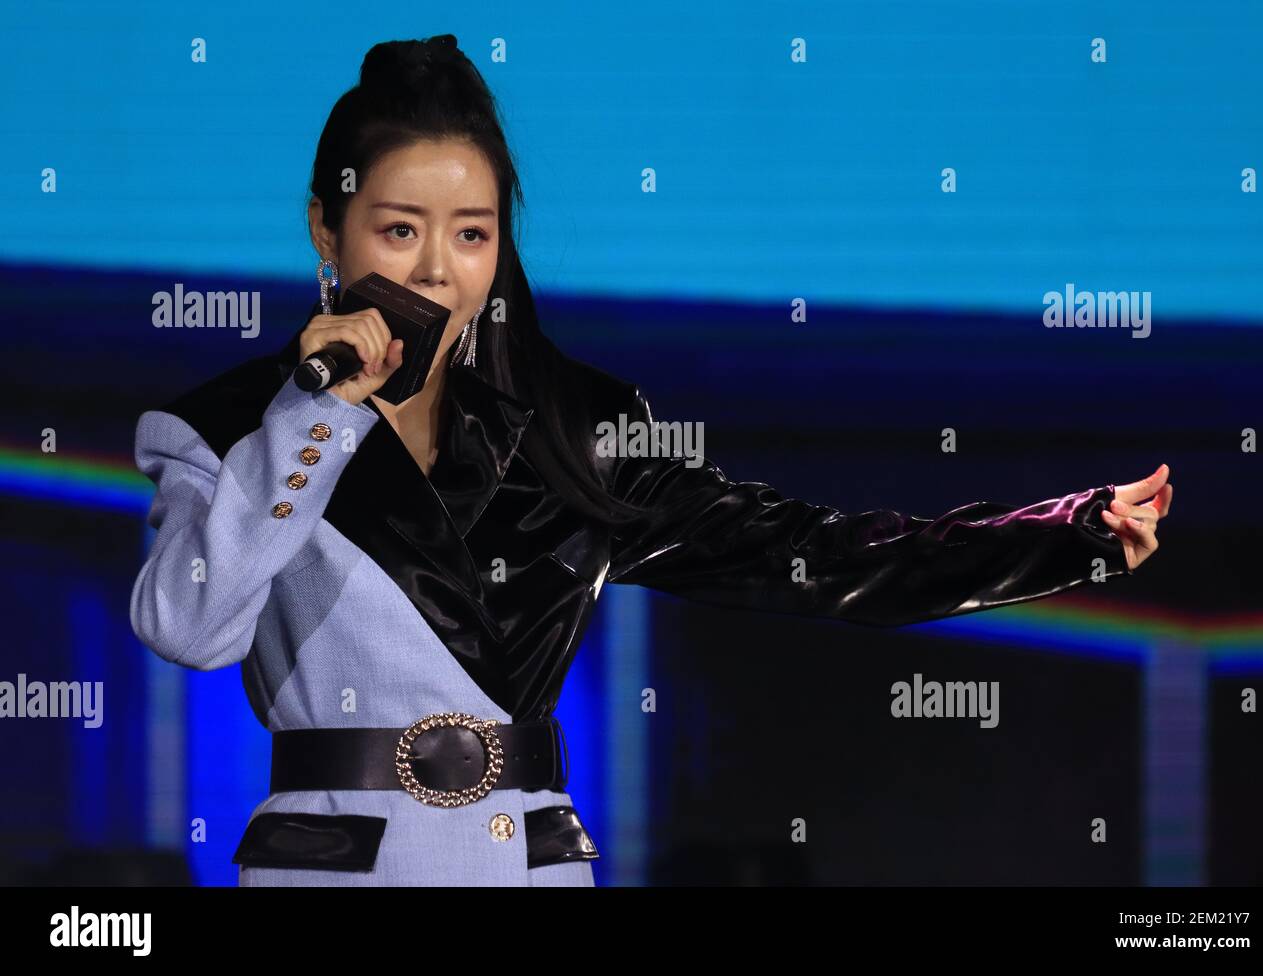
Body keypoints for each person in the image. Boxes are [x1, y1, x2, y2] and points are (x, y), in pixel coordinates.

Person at [128, 34, 1170, 887]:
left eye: (473, 235)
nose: (437, 271)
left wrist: (1061, 539)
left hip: (525, 865)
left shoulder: (577, 425)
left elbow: (806, 551)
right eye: (398, 230)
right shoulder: (234, 426)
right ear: (328, 229)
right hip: (333, 872)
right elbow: (188, 626)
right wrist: (319, 418)